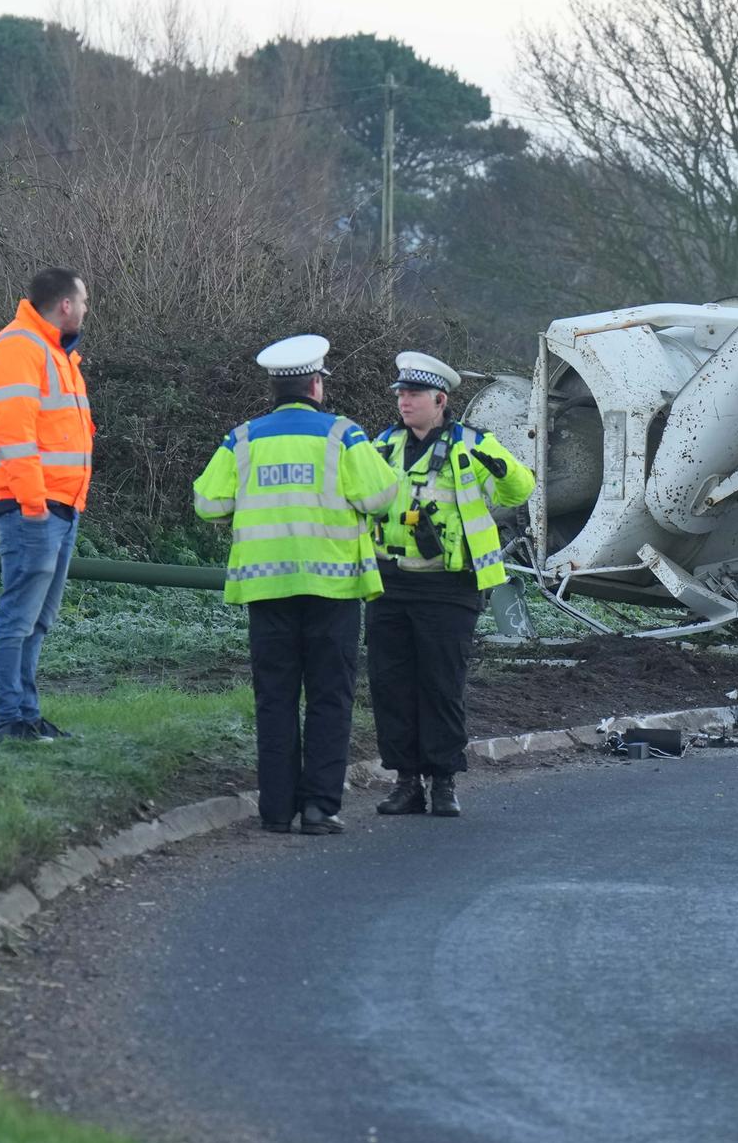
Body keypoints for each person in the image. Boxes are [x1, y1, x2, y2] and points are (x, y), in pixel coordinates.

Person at [192, 335, 400, 835]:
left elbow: (208, 504)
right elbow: (380, 497)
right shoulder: (343, 436)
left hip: (266, 591)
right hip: (333, 590)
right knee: (330, 699)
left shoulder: (241, 439)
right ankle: (318, 808)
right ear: (316, 383)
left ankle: (276, 810)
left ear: (274, 388)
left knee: (275, 699)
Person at [366, 351, 533, 819]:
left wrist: (500, 465)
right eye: (401, 394)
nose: (404, 402)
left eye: (414, 394)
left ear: (440, 399)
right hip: (390, 583)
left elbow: (518, 491)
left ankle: (443, 782)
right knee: (391, 686)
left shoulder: (472, 444)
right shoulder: (383, 446)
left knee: (441, 685)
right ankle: (405, 782)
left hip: (449, 586)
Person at [0, 267, 93, 744]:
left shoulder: (49, 350)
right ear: (64, 304)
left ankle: (25, 714)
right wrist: (33, 505)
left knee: (36, 620)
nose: (87, 309)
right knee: (18, 619)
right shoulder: (19, 348)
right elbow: (14, 434)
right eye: (83, 301)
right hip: (36, 508)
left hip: (57, 506)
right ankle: (10, 720)